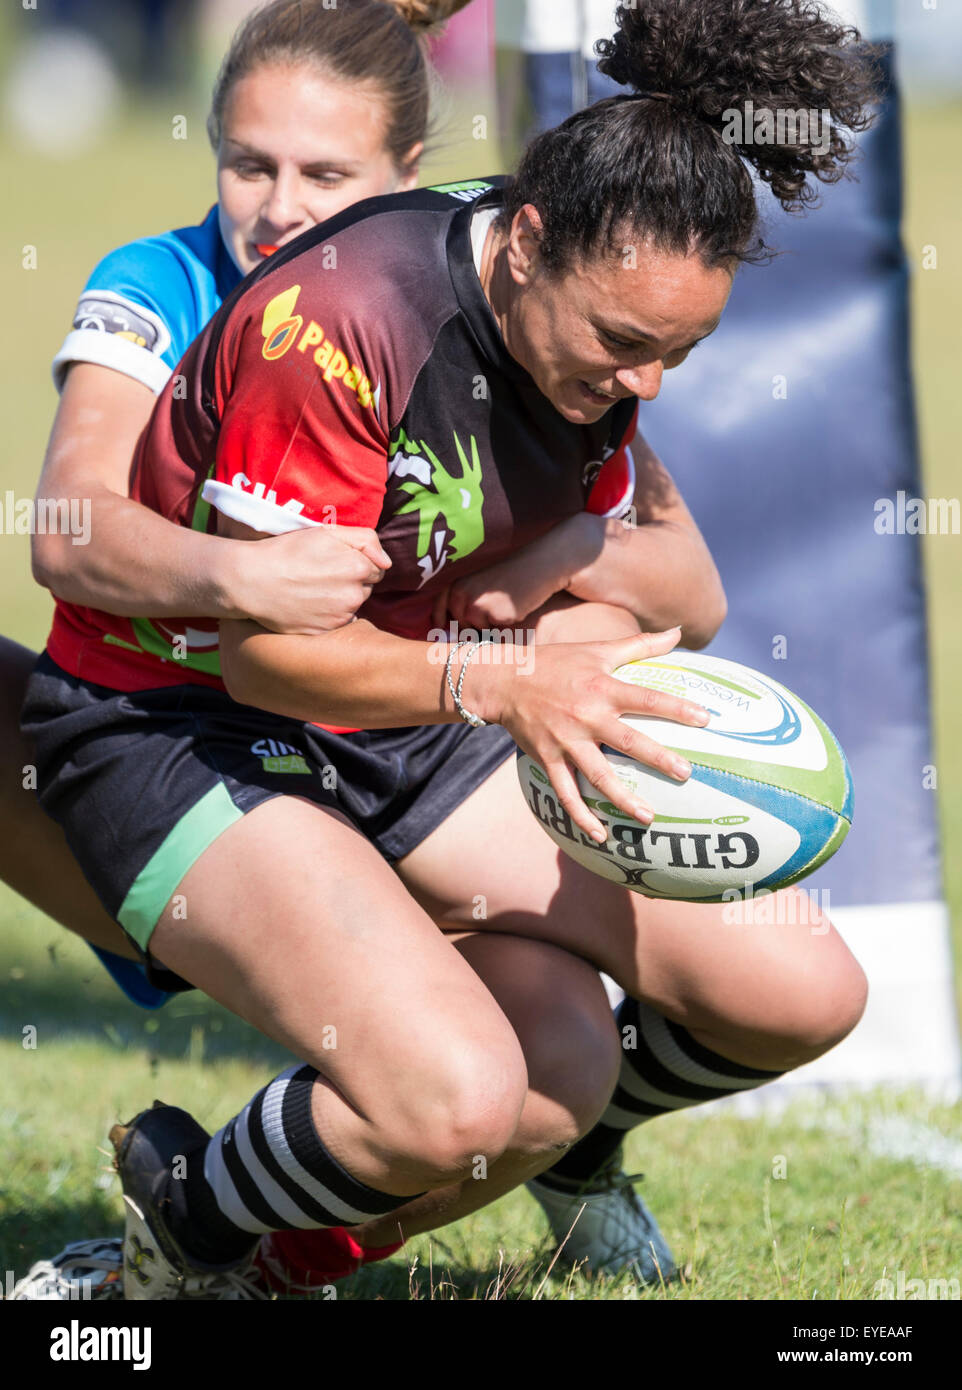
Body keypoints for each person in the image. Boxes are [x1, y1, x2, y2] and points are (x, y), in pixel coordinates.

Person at [17, 0, 879, 1301]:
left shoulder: (588, 310)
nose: (648, 386)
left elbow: (675, 584)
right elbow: (261, 660)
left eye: (681, 353)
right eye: (624, 345)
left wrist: (563, 592)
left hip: (404, 715)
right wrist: (505, 678)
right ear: (523, 247)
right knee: (458, 1095)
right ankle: (172, 1244)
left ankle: (295, 1236)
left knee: (766, 995)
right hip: (188, 725)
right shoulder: (343, 320)